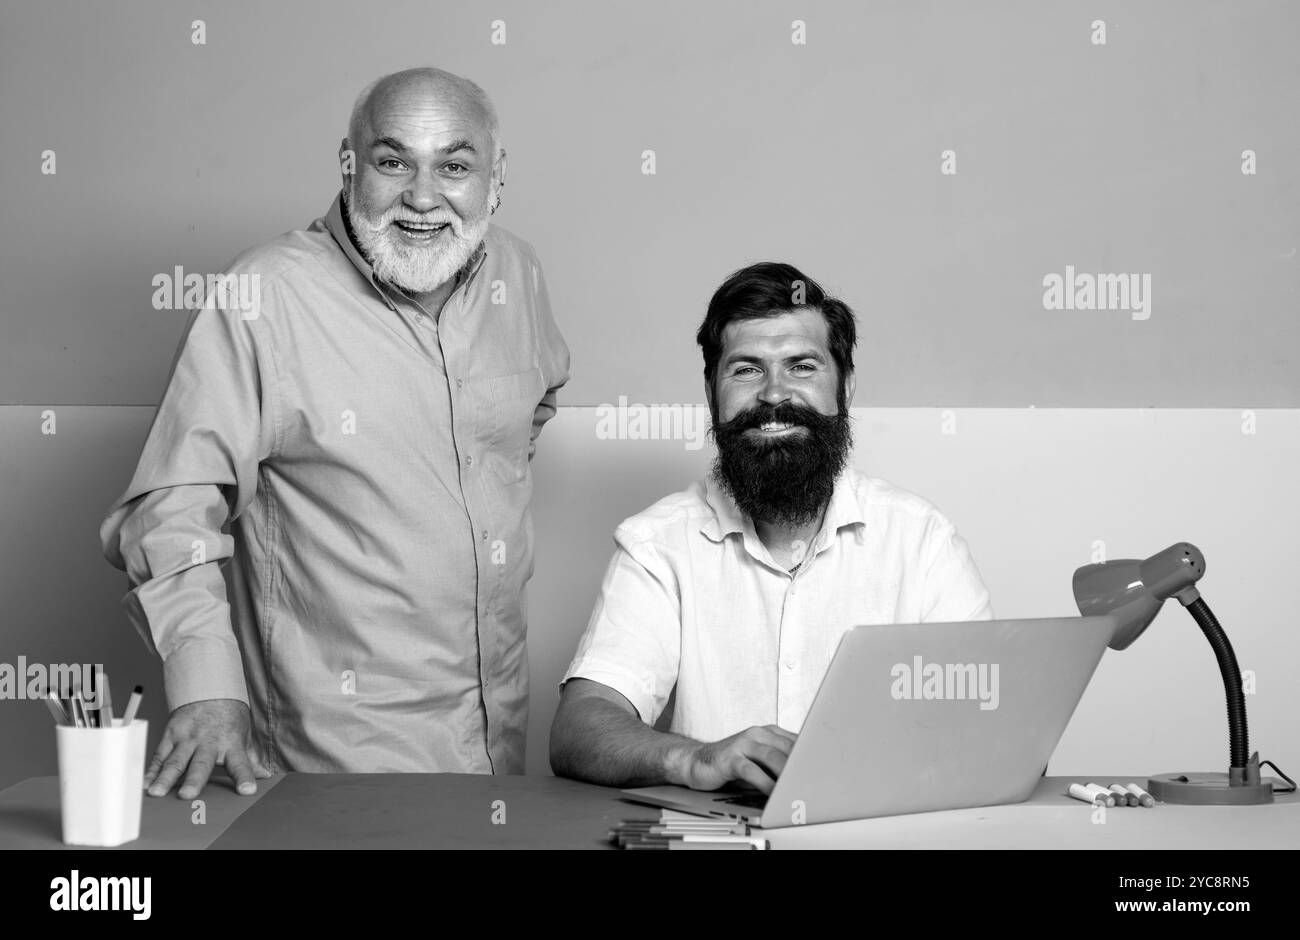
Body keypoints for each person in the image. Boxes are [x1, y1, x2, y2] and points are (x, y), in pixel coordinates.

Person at [100, 67, 569, 800]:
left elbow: (534, 402)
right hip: (337, 761)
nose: (422, 196)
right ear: (349, 164)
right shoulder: (263, 299)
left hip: (499, 740)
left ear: (496, 177)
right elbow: (170, 509)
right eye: (392, 162)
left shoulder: (519, 271)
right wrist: (205, 686)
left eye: (454, 165)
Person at [550, 262, 991, 794]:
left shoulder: (922, 541)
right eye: (746, 369)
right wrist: (695, 759)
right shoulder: (657, 545)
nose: (774, 394)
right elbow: (579, 727)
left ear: (844, 386)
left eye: (802, 366)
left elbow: (995, 723)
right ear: (712, 391)